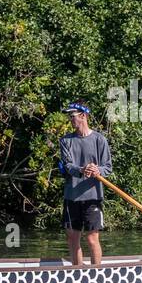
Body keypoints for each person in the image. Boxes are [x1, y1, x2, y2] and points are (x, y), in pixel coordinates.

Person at [58, 102, 113, 266]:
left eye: (72, 116)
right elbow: (67, 166)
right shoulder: (66, 141)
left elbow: (108, 167)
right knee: (73, 237)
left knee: (91, 238)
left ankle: (96, 274)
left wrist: (98, 170)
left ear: (83, 116)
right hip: (72, 196)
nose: (70, 119)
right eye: (69, 116)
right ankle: (78, 273)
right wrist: (82, 169)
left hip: (92, 197)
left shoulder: (99, 140)